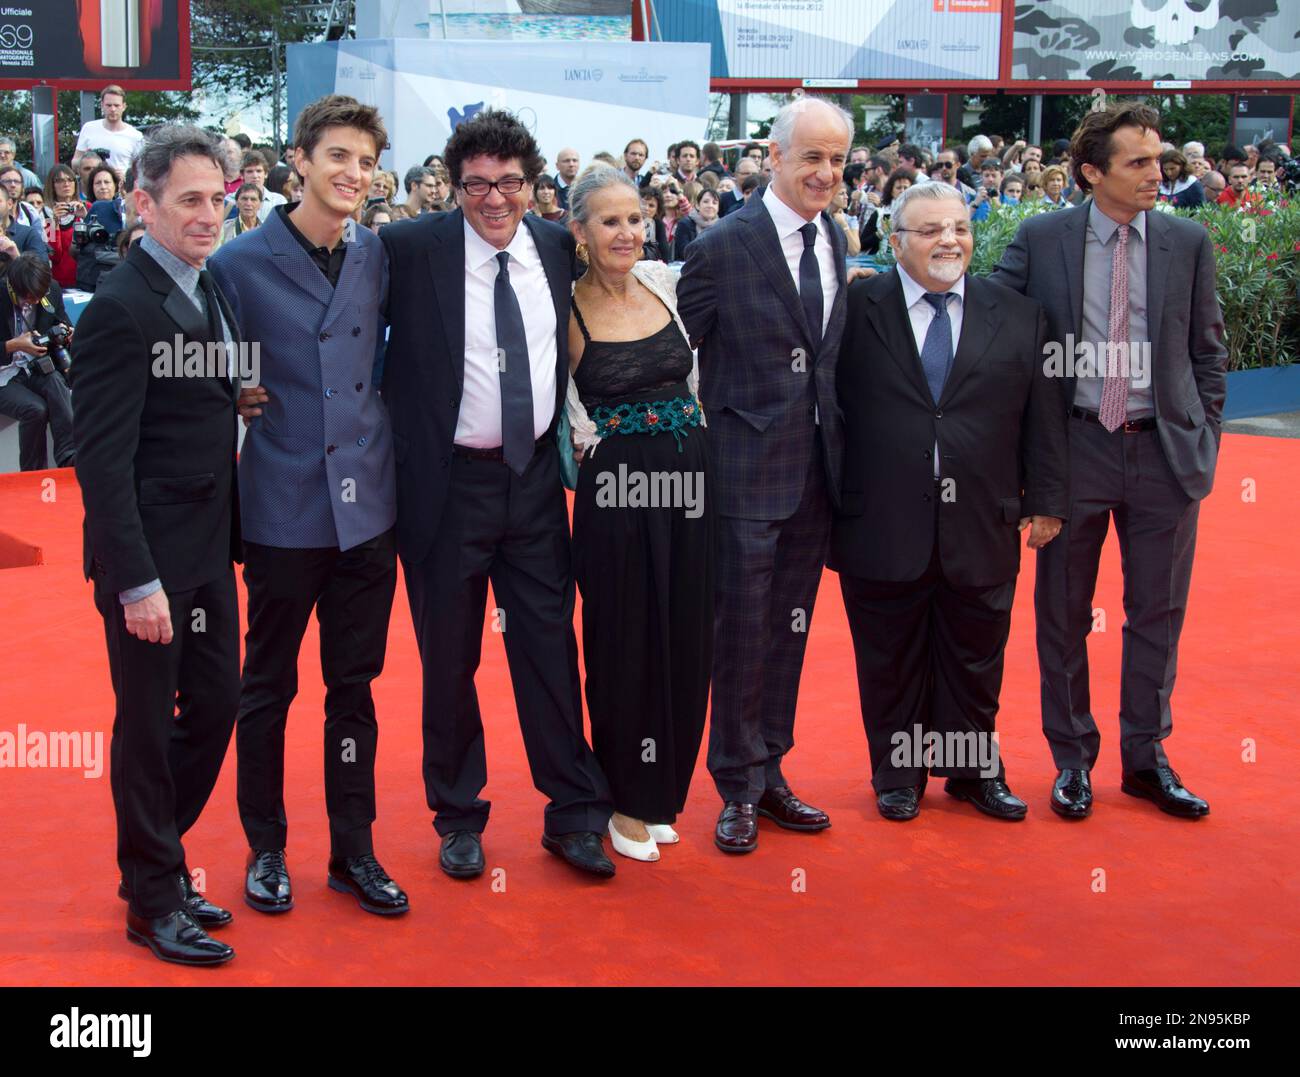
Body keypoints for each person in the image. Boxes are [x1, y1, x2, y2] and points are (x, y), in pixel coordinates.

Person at [381, 109, 616, 879]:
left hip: (536, 485)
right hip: (446, 489)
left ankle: (574, 811)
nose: (493, 198)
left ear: (531, 184)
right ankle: (458, 813)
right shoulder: (408, 250)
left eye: (509, 182)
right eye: (476, 183)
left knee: (550, 645)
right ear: (453, 186)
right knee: (448, 659)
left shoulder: (554, 244)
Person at [989, 102, 1227, 821]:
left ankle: (1148, 757)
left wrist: (1203, 434)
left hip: (1164, 448)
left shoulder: (1187, 241)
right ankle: (1072, 759)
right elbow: (997, 338)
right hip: (1074, 448)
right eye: (1139, 163)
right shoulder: (1041, 237)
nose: (1159, 174)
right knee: (1063, 613)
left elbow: (1209, 351)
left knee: (1157, 611)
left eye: (1159, 160)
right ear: (1093, 172)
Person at [210, 94, 407, 918]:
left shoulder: (379, 256)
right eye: (337, 157)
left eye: (364, 161)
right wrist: (232, 388)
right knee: (268, 685)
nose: (352, 175)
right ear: (299, 161)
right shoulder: (238, 263)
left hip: (368, 513)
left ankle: (353, 848)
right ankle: (266, 845)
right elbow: (209, 364)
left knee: (354, 688)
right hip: (285, 503)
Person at [832, 182, 1067, 822]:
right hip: (880, 519)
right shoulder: (854, 309)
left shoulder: (1018, 314)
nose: (949, 241)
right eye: (932, 230)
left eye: (959, 228)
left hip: (982, 519)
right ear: (898, 241)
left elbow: (1042, 418)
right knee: (890, 658)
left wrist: (1044, 498)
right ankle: (898, 774)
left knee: (974, 657)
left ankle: (970, 771)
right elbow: (828, 411)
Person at [72, 124, 242, 967]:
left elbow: (203, 400)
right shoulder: (119, 306)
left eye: (219, 199)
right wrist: (135, 581)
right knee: (145, 728)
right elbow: (100, 460)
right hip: (150, 565)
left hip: (209, 552)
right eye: (190, 201)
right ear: (143, 204)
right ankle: (151, 894)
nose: (209, 215)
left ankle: (158, 863)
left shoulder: (214, 287)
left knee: (215, 709)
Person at [678, 96, 851, 854]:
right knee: (741, 636)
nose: (825, 172)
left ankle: (771, 769)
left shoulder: (838, 237)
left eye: (838, 160)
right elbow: (678, 349)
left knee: (789, 631)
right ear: (773, 156)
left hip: (817, 473)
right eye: (811, 156)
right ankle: (735, 786)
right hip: (743, 474)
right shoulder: (721, 245)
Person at [563, 166, 713, 862]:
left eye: (635, 217)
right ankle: (624, 799)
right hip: (617, 498)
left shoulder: (667, 284)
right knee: (624, 641)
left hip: (691, 488)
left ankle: (662, 791)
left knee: (684, 636)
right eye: (610, 220)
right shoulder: (562, 308)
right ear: (580, 232)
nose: (627, 231)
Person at [0, 253, 77, 470]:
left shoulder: (51, 290)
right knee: (35, 409)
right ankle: (32, 474)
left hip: (36, 365)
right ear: (13, 287)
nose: (34, 301)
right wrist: (14, 345)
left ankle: (69, 457)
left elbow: (61, 321)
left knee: (57, 386)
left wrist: (68, 332)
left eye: (38, 296)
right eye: (29, 297)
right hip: (4, 372)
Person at [72, 85, 144, 175]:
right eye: (109, 105)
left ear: (124, 106)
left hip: (122, 187)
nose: (113, 109)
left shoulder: (135, 136)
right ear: (102, 105)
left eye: (116, 105)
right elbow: (74, 163)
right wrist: (89, 160)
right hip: (93, 186)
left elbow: (142, 170)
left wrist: (125, 175)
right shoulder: (89, 128)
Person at [43, 164, 87, 289]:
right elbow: (53, 254)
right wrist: (54, 222)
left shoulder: (86, 207)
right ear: (52, 185)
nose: (66, 184)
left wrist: (85, 217)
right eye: (60, 180)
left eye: (70, 179)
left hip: (85, 277)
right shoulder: (46, 213)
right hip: (59, 283)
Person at [671, 185, 721, 261]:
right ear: (697, 205)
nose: (710, 205)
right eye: (706, 202)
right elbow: (685, 253)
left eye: (714, 203)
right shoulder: (685, 224)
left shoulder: (722, 226)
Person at [0, 186, 48, 259]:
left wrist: (15, 255)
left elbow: (43, 269)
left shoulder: (29, 234)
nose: (36, 205)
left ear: (9, 204)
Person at [215, 183, 263, 248]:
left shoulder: (266, 230)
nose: (248, 203)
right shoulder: (224, 228)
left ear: (260, 205)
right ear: (237, 203)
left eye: (253, 199)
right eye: (244, 199)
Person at [87, 165, 127, 238]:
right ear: (92, 186)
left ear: (115, 185)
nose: (103, 187)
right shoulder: (84, 208)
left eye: (107, 182)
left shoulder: (123, 208)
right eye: (98, 183)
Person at [639, 187, 669, 261]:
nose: (646, 208)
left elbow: (665, 254)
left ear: (657, 210)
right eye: (643, 203)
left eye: (651, 205)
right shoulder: (629, 221)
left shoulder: (656, 224)